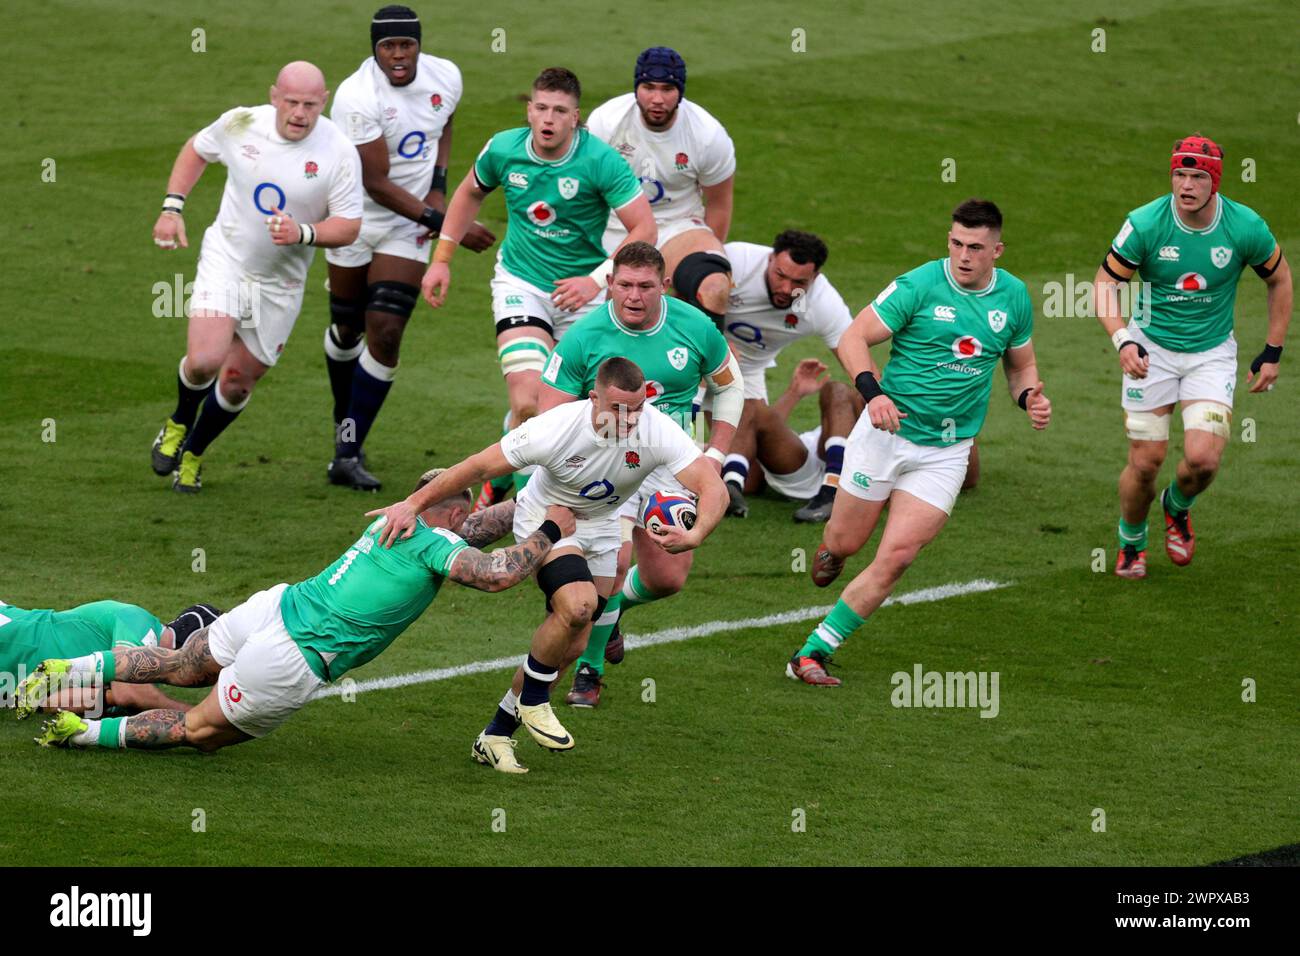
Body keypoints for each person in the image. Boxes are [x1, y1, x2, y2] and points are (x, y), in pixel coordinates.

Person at [27, 480, 572, 757]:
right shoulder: (437, 546)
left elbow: (481, 528)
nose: (470, 521)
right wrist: (551, 530)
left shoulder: (397, 522)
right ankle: (81, 732)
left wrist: (539, 497)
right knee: (203, 733)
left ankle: (73, 668)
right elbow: (496, 572)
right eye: (466, 513)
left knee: (177, 664)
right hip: (294, 655)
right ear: (452, 514)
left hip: (275, 605)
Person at [367, 357, 726, 770]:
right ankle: (535, 700)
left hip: (605, 528)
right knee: (578, 606)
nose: (628, 420)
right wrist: (412, 505)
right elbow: (478, 465)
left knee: (570, 646)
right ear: (594, 398)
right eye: (617, 409)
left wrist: (697, 534)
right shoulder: (554, 429)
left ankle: (496, 734)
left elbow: (711, 485)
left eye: (636, 409)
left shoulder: (657, 430)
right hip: (548, 517)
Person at [787, 199, 1051, 686]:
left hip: (946, 452)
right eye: (956, 243)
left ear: (998, 249)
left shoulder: (1013, 297)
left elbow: (1020, 365)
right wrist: (873, 394)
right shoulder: (920, 285)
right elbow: (853, 337)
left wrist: (1030, 395)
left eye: (975, 247)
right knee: (844, 542)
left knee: (899, 555)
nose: (963, 255)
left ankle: (813, 650)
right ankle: (837, 551)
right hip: (886, 435)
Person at [534, 242, 742, 707]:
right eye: (624, 284)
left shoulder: (694, 327)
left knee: (668, 578)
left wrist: (716, 454)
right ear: (609, 284)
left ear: (664, 286)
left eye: (645, 286)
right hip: (607, 464)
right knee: (617, 560)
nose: (633, 295)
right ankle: (589, 669)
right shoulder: (583, 336)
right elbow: (547, 411)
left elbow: (729, 387)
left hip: (670, 460)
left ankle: (615, 609)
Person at [149, 61, 364, 493]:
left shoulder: (338, 151)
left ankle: (193, 451)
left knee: (236, 382)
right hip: (226, 258)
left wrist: (302, 233)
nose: (300, 113)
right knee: (206, 360)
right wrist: (172, 208)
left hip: (281, 284)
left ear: (324, 102)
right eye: (291, 102)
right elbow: (197, 148)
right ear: (273, 97)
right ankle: (177, 422)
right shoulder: (241, 123)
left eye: (309, 104)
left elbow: (350, 224)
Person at [421, 67, 655, 457]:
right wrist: (441, 260)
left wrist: (594, 282)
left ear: (576, 118)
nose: (549, 119)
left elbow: (644, 228)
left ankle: (504, 478)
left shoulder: (600, 160)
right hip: (521, 285)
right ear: (529, 110)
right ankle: (529, 511)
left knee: (577, 410)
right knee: (529, 399)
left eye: (561, 111)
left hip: (584, 297)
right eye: (542, 108)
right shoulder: (502, 149)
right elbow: (467, 195)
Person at [1094, 134, 1291, 578]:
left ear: (1214, 182)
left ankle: (1177, 506)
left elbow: (1279, 279)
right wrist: (1124, 338)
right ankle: (1131, 540)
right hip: (1151, 352)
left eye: (1197, 177)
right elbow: (1105, 285)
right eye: (1179, 175)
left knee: (1203, 460)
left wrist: (1273, 350)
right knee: (1145, 461)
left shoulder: (1245, 226)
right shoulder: (1145, 223)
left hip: (1211, 355)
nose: (1185, 185)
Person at [323, 5, 496, 491]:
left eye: (406, 45)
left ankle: (347, 450)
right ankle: (346, 417)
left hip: (409, 226)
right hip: (354, 217)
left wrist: (439, 186)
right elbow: (375, 182)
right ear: (374, 49)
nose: (398, 56)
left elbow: (445, 124)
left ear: (419, 44)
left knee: (386, 330)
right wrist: (447, 223)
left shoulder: (446, 76)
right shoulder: (357, 97)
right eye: (387, 47)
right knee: (347, 326)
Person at [586, 47, 736, 327]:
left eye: (667, 88)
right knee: (616, 317)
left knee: (714, 287)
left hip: (677, 227)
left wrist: (696, 266)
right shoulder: (606, 122)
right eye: (648, 87)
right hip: (614, 228)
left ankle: (705, 366)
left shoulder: (707, 135)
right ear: (636, 88)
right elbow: (584, 187)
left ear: (680, 91)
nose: (657, 99)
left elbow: (719, 203)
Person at [715, 231, 858, 521]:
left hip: (749, 375)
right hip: (717, 365)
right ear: (769, 259)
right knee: (748, 465)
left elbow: (859, 363)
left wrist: (884, 399)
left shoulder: (824, 304)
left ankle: (832, 494)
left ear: (815, 278)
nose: (786, 288)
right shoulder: (736, 261)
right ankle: (729, 488)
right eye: (780, 275)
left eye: (799, 283)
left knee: (838, 390)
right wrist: (715, 341)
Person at [7, 600, 217, 716]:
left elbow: (43, 700)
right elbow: (130, 693)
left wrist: (110, 698)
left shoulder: (148, 674)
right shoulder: (139, 622)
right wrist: (199, 715)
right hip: (11, 633)